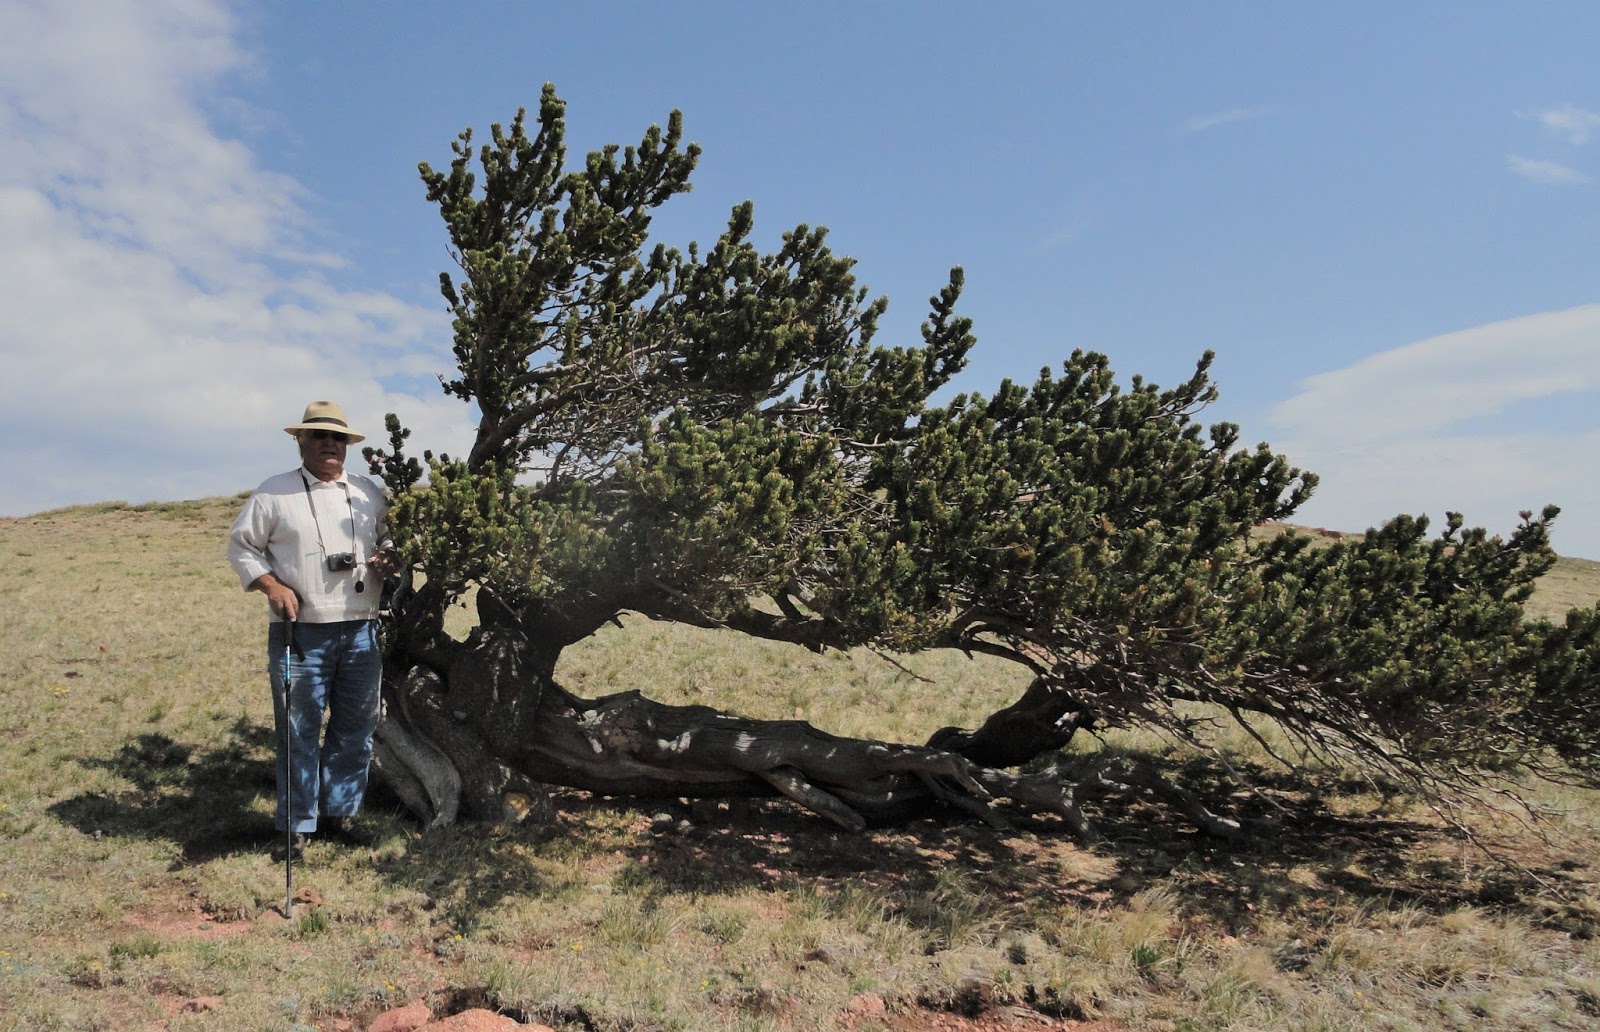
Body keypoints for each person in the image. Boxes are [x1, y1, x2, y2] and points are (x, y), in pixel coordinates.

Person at [228, 401, 399, 858]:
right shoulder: (273, 493)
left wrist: (389, 555)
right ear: (300, 441)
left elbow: (390, 538)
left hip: (362, 628)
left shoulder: (369, 492)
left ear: (347, 445)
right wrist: (270, 585)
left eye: (337, 438)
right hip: (300, 631)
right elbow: (242, 547)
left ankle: (339, 816)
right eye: (319, 436)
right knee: (298, 728)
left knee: (355, 727)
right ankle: (295, 826)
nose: (329, 444)